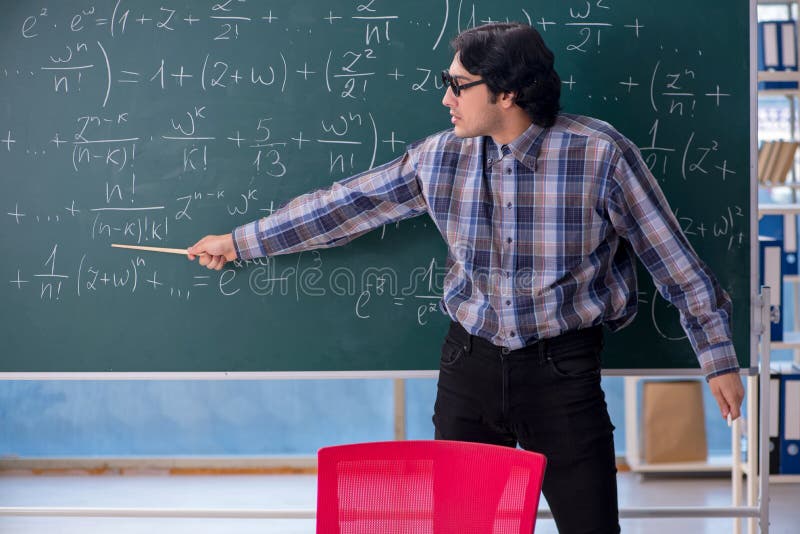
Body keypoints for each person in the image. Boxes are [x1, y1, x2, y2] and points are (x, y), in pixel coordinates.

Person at [188, 22, 744, 533]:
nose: (445, 98)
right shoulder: (440, 158)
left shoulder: (599, 155)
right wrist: (239, 242)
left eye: (458, 85)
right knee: (462, 527)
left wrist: (717, 356)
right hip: (469, 365)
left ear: (507, 93)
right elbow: (346, 206)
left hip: (562, 373)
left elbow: (672, 260)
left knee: (591, 528)